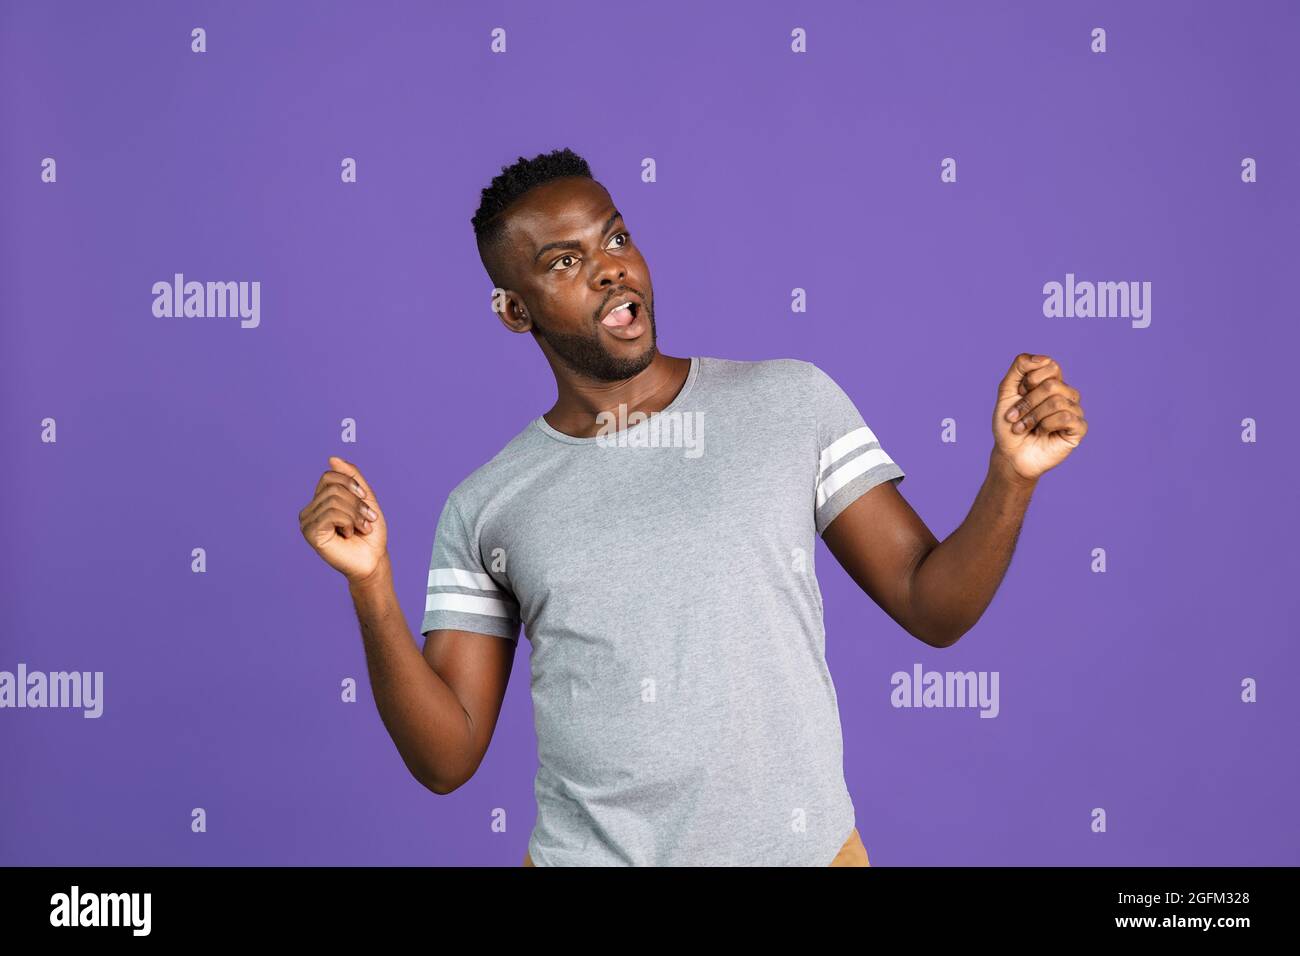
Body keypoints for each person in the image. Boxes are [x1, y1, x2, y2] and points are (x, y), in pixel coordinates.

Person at [298, 148, 1088, 866]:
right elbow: (449, 758)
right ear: (515, 310)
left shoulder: (790, 402)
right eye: (565, 261)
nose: (609, 270)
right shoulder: (486, 506)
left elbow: (931, 605)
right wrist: (370, 585)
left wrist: (1010, 478)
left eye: (615, 238)